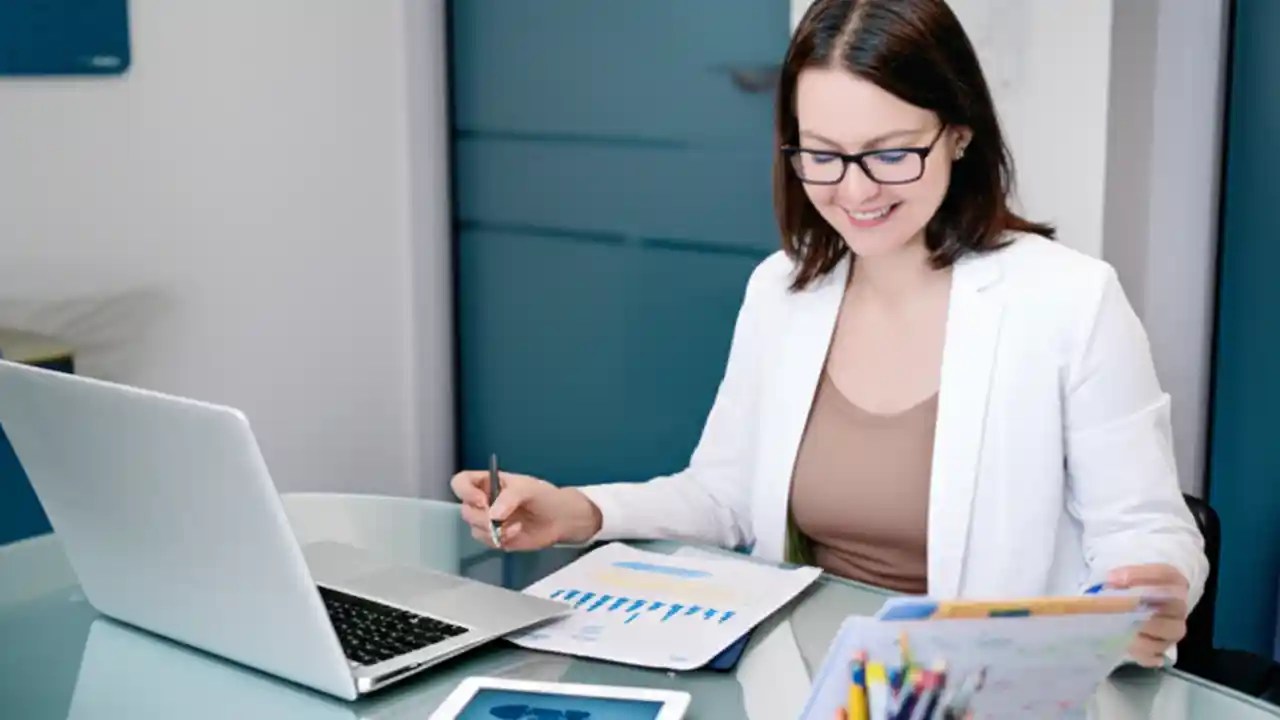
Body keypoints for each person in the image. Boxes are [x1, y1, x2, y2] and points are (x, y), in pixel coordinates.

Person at [451, 0, 1207, 668]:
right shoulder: (782, 289)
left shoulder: (1068, 299)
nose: (853, 189)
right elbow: (727, 497)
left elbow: (1144, 530)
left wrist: (1147, 593)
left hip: (981, 684)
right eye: (823, 154)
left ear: (960, 135)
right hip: (801, 673)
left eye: (890, 152)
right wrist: (577, 512)